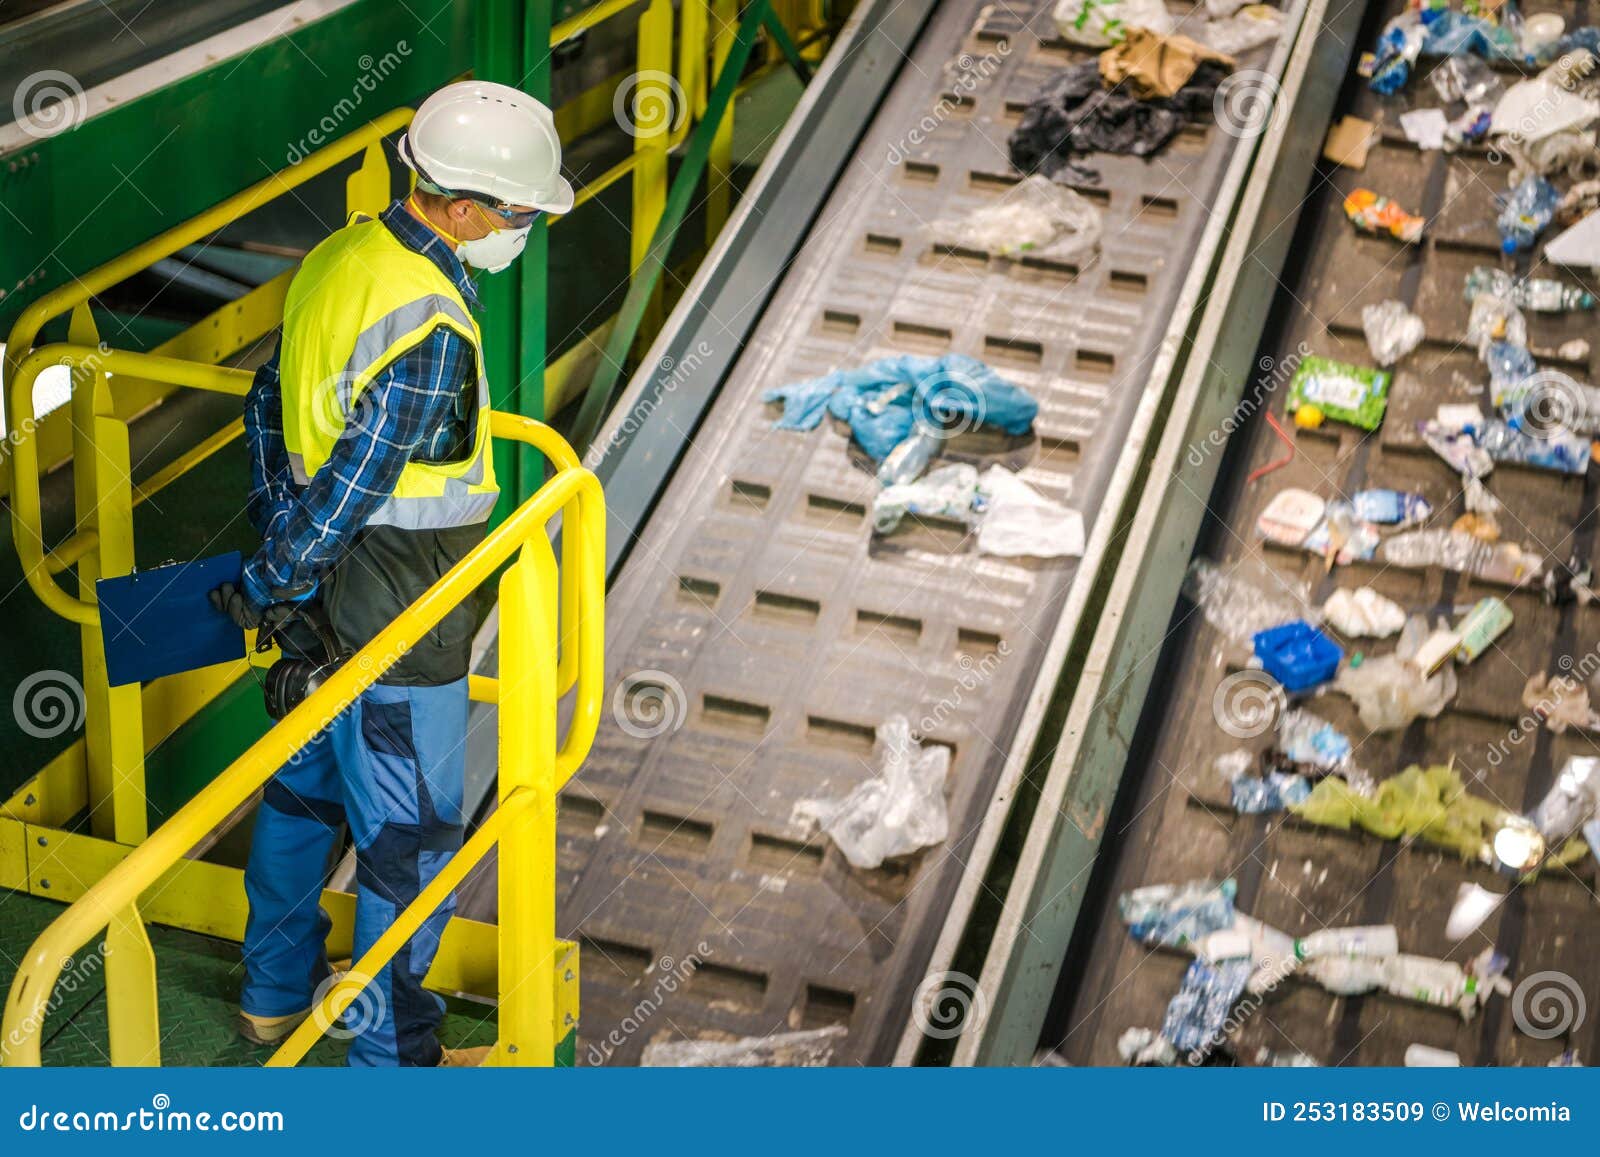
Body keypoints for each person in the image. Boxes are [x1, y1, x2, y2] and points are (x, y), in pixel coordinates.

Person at [209, 80, 573, 1067]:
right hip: (399, 605)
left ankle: (271, 996)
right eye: (518, 213)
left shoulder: (340, 257)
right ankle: (391, 1061)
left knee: (302, 796)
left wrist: (277, 567)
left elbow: (266, 408)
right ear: (464, 208)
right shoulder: (431, 327)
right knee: (408, 840)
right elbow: (355, 485)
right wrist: (279, 576)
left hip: (315, 591)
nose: (523, 229)